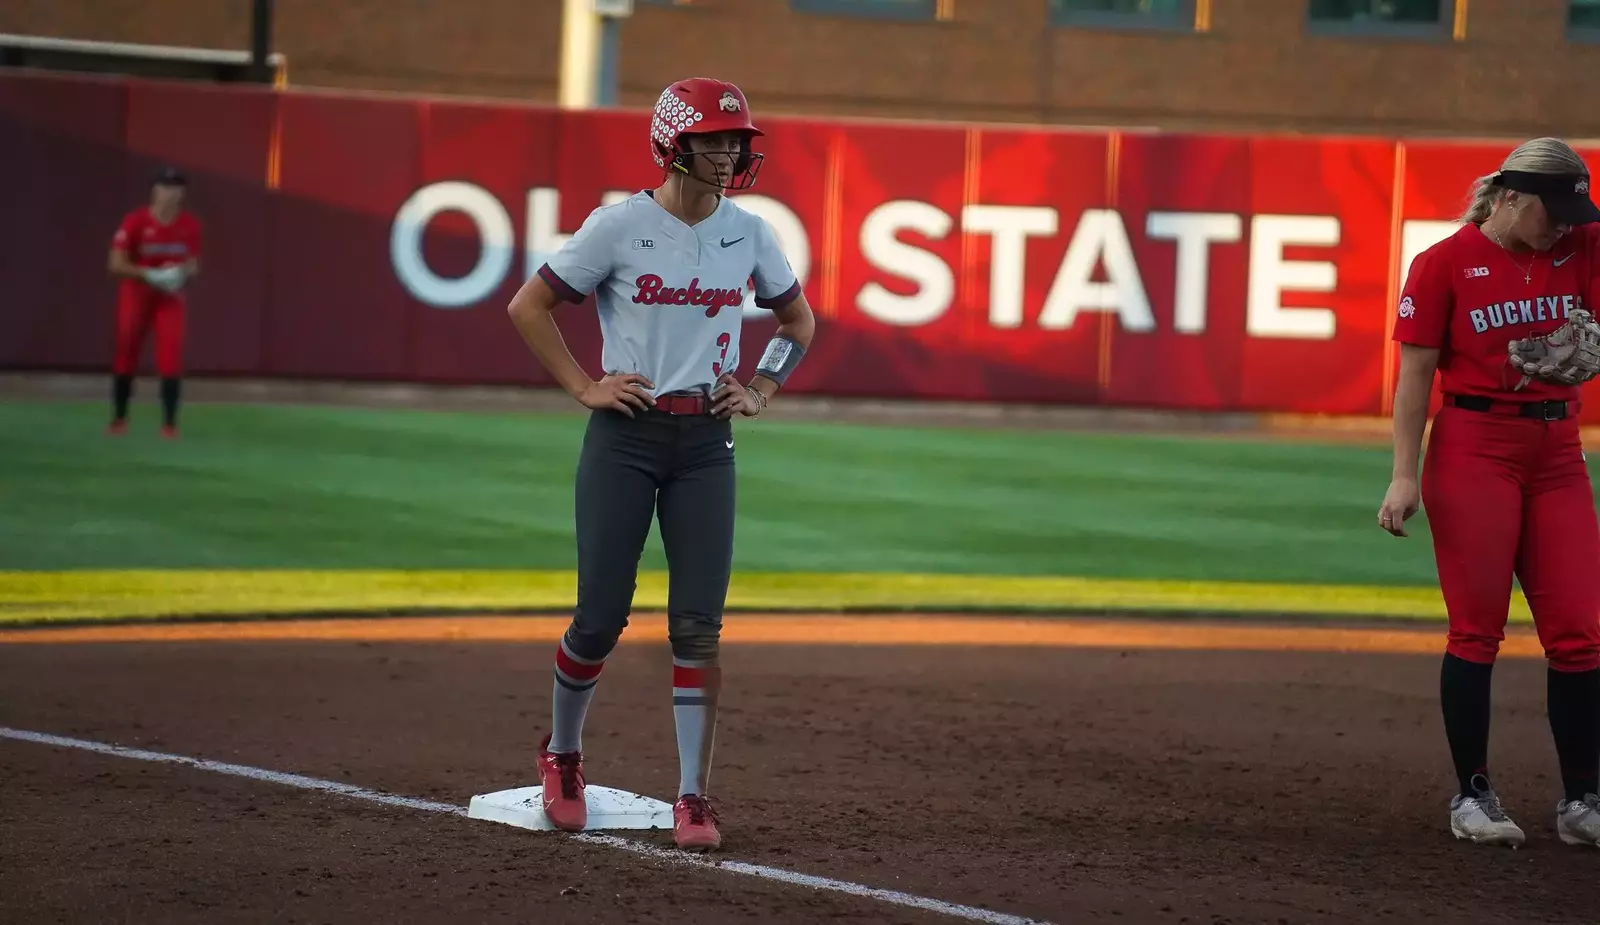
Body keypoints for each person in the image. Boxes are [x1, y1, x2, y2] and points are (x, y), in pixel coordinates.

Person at [505, 77, 816, 851]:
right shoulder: (617, 227)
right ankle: (564, 756)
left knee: (698, 626)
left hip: (706, 444)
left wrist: (764, 385)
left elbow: (797, 319)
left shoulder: (749, 230)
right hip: (627, 435)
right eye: (716, 140)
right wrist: (583, 385)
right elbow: (528, 307)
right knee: (601, 615)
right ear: (674, 143)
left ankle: (693, 796)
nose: (732, 153)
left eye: (737, 141)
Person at [1380, 136, 1600, 848]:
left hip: (1559, 450)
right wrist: (1404, 473)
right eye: (1551, 209)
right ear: (1508, 196)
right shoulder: (1444, 263)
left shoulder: (1583, 245)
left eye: (1574, 210)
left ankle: (1582, 800)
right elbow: (1415, 377)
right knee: (1477, 628)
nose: (1563, 223)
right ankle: (1472, 794)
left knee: (1581, 630)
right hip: (1475, 449)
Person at [106, 166, 202, 438]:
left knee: (171, 356)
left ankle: (169, 425)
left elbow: (194, 263)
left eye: (175, 188)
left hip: (169, 297)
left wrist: (180, 273)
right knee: (127, 349)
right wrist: (150, 274)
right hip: (137, 292)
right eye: (164, 187)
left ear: (182, 193)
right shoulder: (135, 222)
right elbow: (115, 263)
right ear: (154, 190)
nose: (169, 193)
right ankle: (119, 419)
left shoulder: (190, 225)